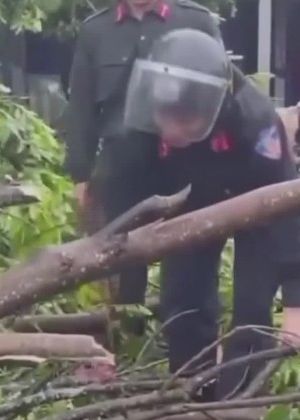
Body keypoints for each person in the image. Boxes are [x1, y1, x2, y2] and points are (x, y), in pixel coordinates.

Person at [122, 28, 300, 401]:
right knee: (181, 299)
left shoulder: (256, 121)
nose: (171, 131)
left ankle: (243, 397)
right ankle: (191, 390)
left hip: (255, 204)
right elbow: (127, 185)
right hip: (189, 203)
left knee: (253, 302)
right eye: (166, 120)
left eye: (184, 123)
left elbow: (290, 210)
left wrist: (296, 304)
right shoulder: (146, 122)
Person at [63, 0, 222, 334]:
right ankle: (127, 340)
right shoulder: (96, 31)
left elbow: (221, 93)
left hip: (182, 162)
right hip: (122, 168)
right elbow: (81, 108)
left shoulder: (195, 21)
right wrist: (80, 174)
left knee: (185, 258)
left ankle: (184, 338)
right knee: (120, 260)